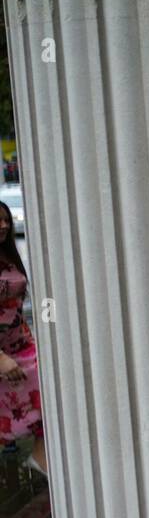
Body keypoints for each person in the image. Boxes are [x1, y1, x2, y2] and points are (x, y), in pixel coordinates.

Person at [0, 201, 44, 475]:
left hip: (22, 346)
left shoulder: (7, 256)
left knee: (54, 392)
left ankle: (42, 459)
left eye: (6, 220)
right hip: (5, 357)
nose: (4, 225)